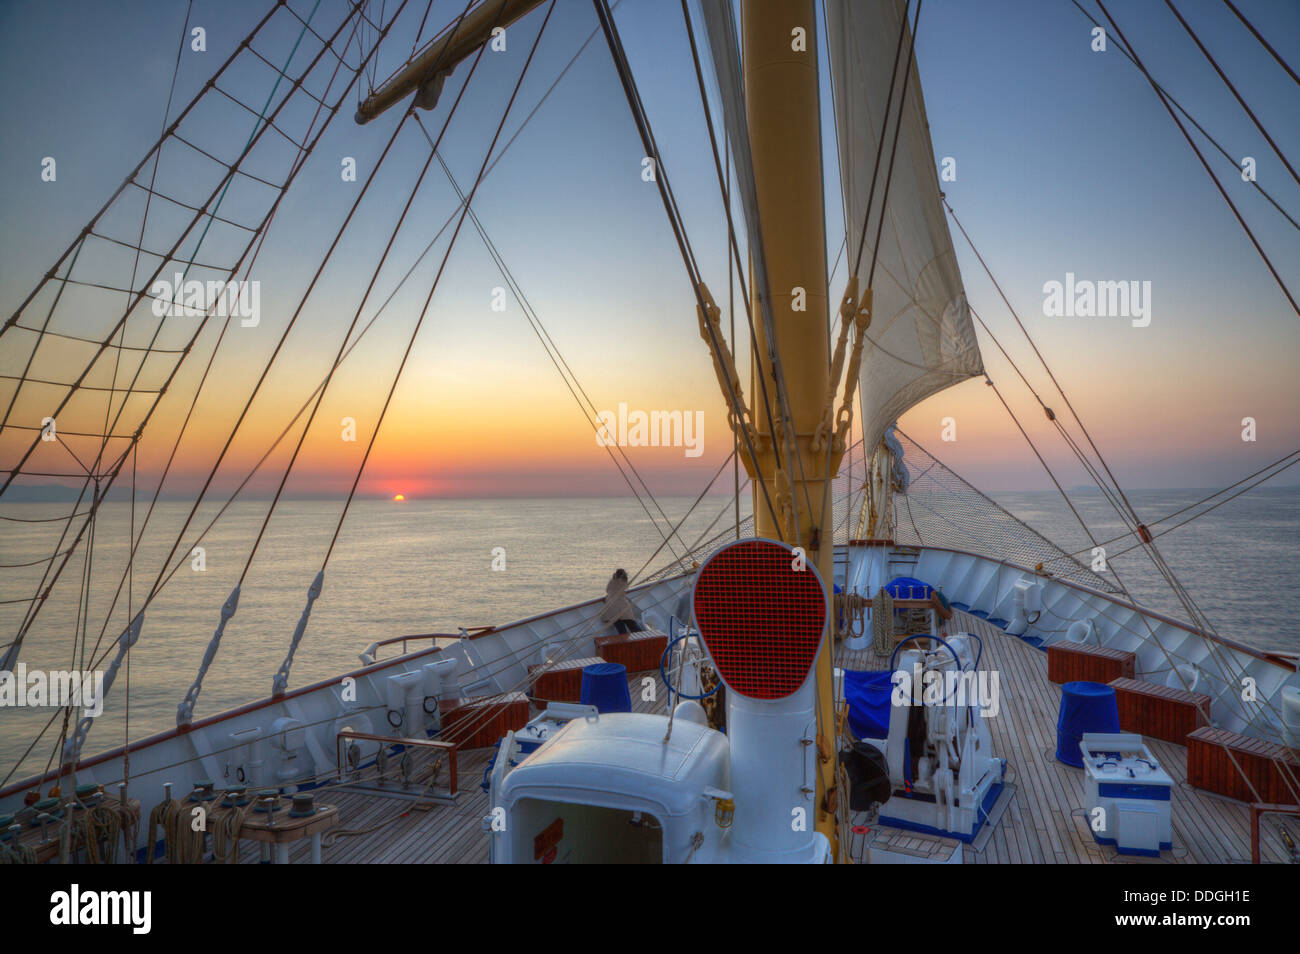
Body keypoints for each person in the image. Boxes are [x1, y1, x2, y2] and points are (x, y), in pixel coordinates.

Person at [600, 568, 641, 634]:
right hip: (622, 607)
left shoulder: (611, 581)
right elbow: (625, 587)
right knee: (632, 624)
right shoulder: (623, 582)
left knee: (620, 627)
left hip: (610, 607)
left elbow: (607, 590)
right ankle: (642, 637)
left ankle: (623, 638)